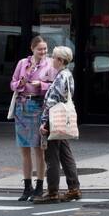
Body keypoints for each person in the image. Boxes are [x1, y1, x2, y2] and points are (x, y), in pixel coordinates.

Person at [34, 46, 81, 204]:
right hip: (62, 121)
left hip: (54, 121)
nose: (51, 59)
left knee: (51, 156)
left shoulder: (61, 77)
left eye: (53, 57)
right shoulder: (67, 75)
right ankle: (74, 188)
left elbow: (53, 102)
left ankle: (53, 191)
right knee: (65, 154)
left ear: (60, 60)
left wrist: (45, 124)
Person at [9, 36, 54, 200]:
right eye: (40, 49)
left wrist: (40, 85)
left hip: (38, 106)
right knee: (24, 149)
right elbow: (13, 84)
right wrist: (24, 78)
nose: (43, 52)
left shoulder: (49, 64)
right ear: (32, 49)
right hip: (22, 106)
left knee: (39, 148)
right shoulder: (23, 63)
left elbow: (53, 85)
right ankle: (27, 187)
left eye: (45, 49)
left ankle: (40, 186)